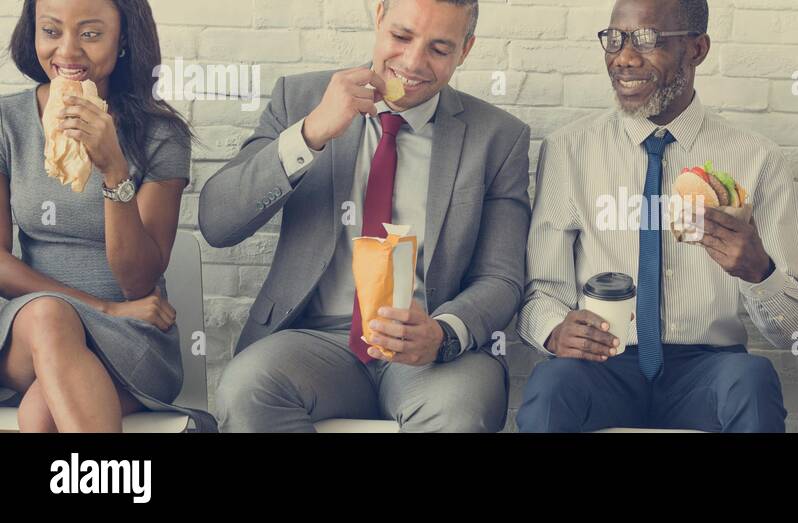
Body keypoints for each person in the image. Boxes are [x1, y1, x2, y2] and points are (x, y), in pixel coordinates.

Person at [201, 0, 530, 433]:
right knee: (246, 391)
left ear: (466, 50)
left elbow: (501, 278)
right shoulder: (300, 99)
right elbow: (217, 222)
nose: (413, 63)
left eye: (439, 48)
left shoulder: (499, 137)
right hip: (313, 341)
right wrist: (310, 132)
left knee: (459, 412)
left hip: (431, 356)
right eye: (401, 36)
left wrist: (444, 332)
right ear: (378, 17)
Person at [515, 0, 798, 433]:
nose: (625, 57)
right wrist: (554, 331)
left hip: (707, 369)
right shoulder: (569, 150)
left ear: (697, 49)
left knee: (753, 380)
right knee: (551, 383)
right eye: (615, 39)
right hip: (602, 364)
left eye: (647, 39)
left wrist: (758, 272)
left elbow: (795, 330)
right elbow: (540, 291)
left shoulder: (756, 158)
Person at [0, 0, 211, 432]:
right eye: (51, 31)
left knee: (42, 417)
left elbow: (138, 280)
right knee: (48, 316)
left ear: (125, 39)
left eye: (91, 34)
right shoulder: (7, 122)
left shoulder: (161, 134)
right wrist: (105, 309)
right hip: (35, 328)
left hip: (133, 339)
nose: (68, 51)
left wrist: (114, 169)